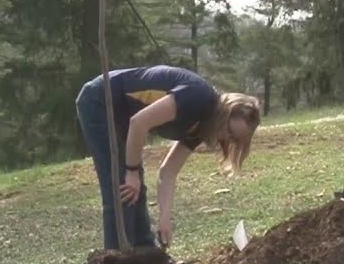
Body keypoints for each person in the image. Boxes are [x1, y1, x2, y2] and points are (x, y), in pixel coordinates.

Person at [74, 65, 262, 250]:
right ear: (224, 113)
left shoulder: (202, 126)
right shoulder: (197, 96)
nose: (225, 138)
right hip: (99, 100)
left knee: (133, 187)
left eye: (234, 138)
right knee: (121, 185)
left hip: (124, 116)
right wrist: (131, 171)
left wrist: (164, 218)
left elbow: (168, 172)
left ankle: (146, 253)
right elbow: (139, 122)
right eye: (228, 130)